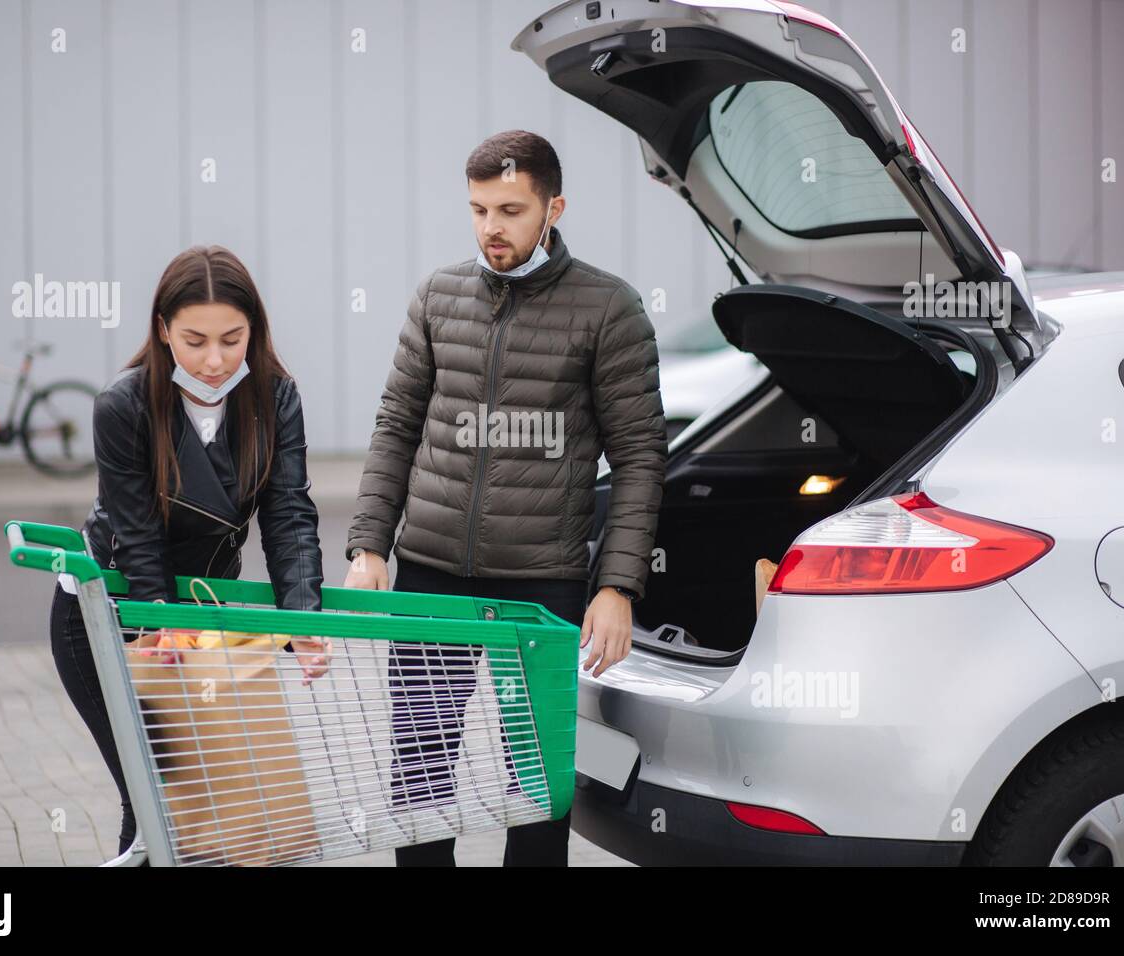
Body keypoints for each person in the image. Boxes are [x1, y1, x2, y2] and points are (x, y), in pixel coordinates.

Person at [345, 130, 667, 867]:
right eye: (479, 208)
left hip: (542, 582)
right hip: (429, 572)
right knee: (419, 778)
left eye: (511, 210)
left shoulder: (607, 309)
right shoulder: (438, 294)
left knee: (537, 789)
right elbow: (396, 425)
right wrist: (369, 546)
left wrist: (617, 585)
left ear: (553, 207)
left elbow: (642, 456)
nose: (492, 227)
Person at [49, 245, 327, 858]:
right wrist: (159, 617)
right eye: (194, 340)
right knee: (152, 794)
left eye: (232, 339)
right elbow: (139, 535)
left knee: (198, 798)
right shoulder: (125, 405)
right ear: (162, 330)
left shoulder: (275, 397)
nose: (214, 360)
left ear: (253, 331)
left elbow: (288, 513)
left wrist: (300, 617)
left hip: (198, 619)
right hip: (111, 614)